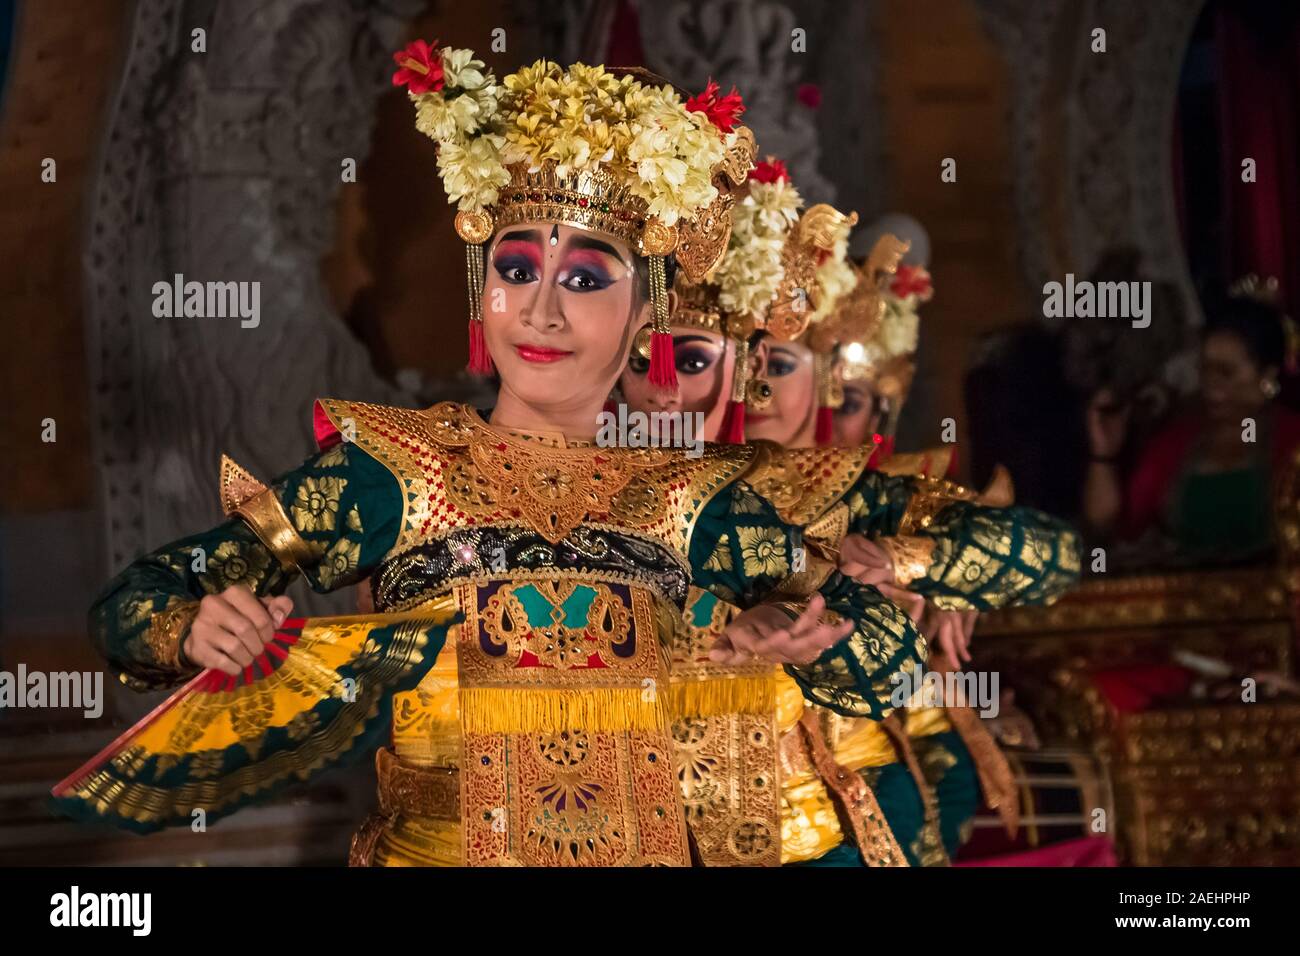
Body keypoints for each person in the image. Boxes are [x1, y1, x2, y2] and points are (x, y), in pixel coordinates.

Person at [59, 46, 955, 867]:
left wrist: (799, 643)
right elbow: (136, 602)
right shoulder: (395, 475)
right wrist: (191, 627)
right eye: (518, 269)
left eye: (586, 279)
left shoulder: (687, 496)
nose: (542, 311)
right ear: (481, 287)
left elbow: (883, 648)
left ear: (647, 313)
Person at [1083, 282, 1300, 566]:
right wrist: (1104, 454)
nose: (1211, 387)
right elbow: (1109, 530)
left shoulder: (1293, 440)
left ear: (1267, 375)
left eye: (1226, 373)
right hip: (1186, 602)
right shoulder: (1176, 442)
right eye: (1205, 371)